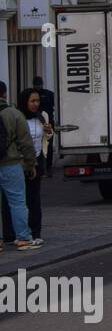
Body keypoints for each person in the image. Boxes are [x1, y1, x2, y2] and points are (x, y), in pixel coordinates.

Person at [2, 87, 50, 249]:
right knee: (17, 202)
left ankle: (11, 237)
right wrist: (30, 163)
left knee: (26, 200)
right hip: (13, 163)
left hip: (21, 161)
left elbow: (42, 139)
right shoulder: (15, 114)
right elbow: (25, 142)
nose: (36, 104)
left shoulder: (41, 117)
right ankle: (21, 237)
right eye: (32, 101)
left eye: (38, 101)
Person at [33, 75, 55, 176]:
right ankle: (45, 168)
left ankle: (46, 168)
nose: (38, 86)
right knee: (43, 145)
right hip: (41, 123)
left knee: (46, 145)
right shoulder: (48, 94)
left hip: (45, 123)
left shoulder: (33, 95)